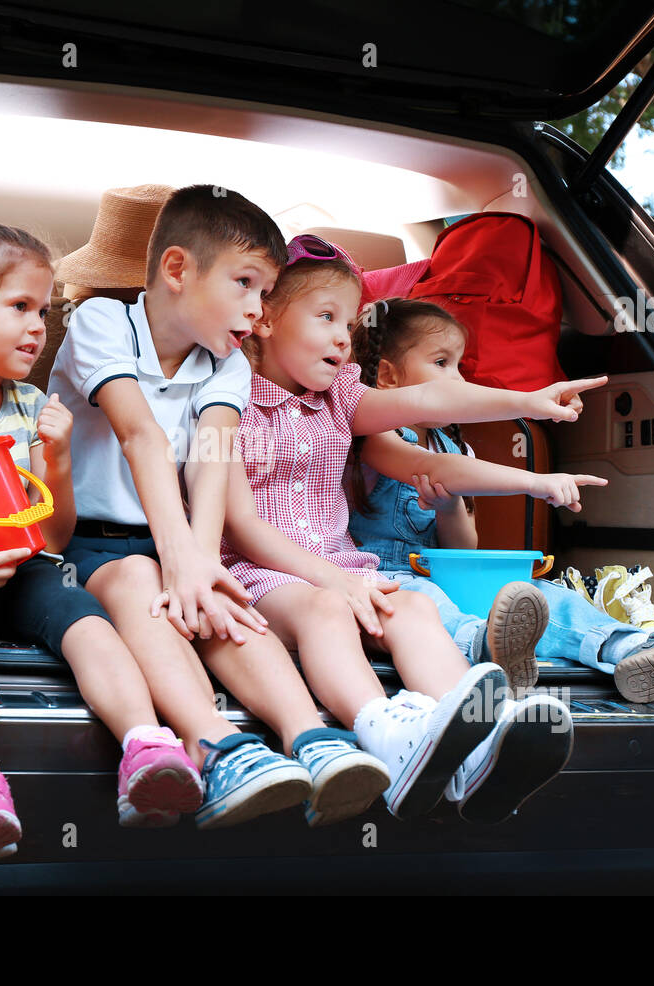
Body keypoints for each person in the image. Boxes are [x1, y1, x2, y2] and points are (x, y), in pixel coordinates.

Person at [219, 234, 606, 824]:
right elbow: (240, 528)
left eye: (349, 324)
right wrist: (335, 582)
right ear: (265, 318)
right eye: (326, 317)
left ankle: (483, 744)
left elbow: (429, 405)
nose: (343, 337)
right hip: (262, 576)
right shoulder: (227, 397)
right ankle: (386, 735)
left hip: (346, 572)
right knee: (325, 609)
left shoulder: (342, 400)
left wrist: (528, 403)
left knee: (418, 612)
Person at [48, 185, 394, 829]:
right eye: (245, 284)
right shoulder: (102, 322)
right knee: (143, 584)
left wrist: (204, 565)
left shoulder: (226, 366)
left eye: (265, 292)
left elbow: (211, 457)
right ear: (177, 270)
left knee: (229, 610)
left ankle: (309, 739)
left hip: (180, 533)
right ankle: (219, 747)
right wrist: (181, 559)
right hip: (96, 541)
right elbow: (141, 436)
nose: (257, 309)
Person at [0, 201, 204, 865]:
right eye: (20, 308)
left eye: (44, 311)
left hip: (25, 562)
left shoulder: (34, 408)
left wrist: (57, 462)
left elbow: (56, 537)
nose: (39, 327)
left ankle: (146, 746)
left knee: (84, 616)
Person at [346, 296, 654, 704]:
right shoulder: (372, 436)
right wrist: (535, 482)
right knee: (426, 604)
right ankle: (483, 648)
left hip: (441, 572)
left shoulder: (452, 444)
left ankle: (633, 648)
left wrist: (448, 506)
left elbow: (462, 546)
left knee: (537, 593)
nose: (457, 379)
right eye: (441, 363)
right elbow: (436, 471)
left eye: (459, 365)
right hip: (381, 578)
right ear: (387, 376)